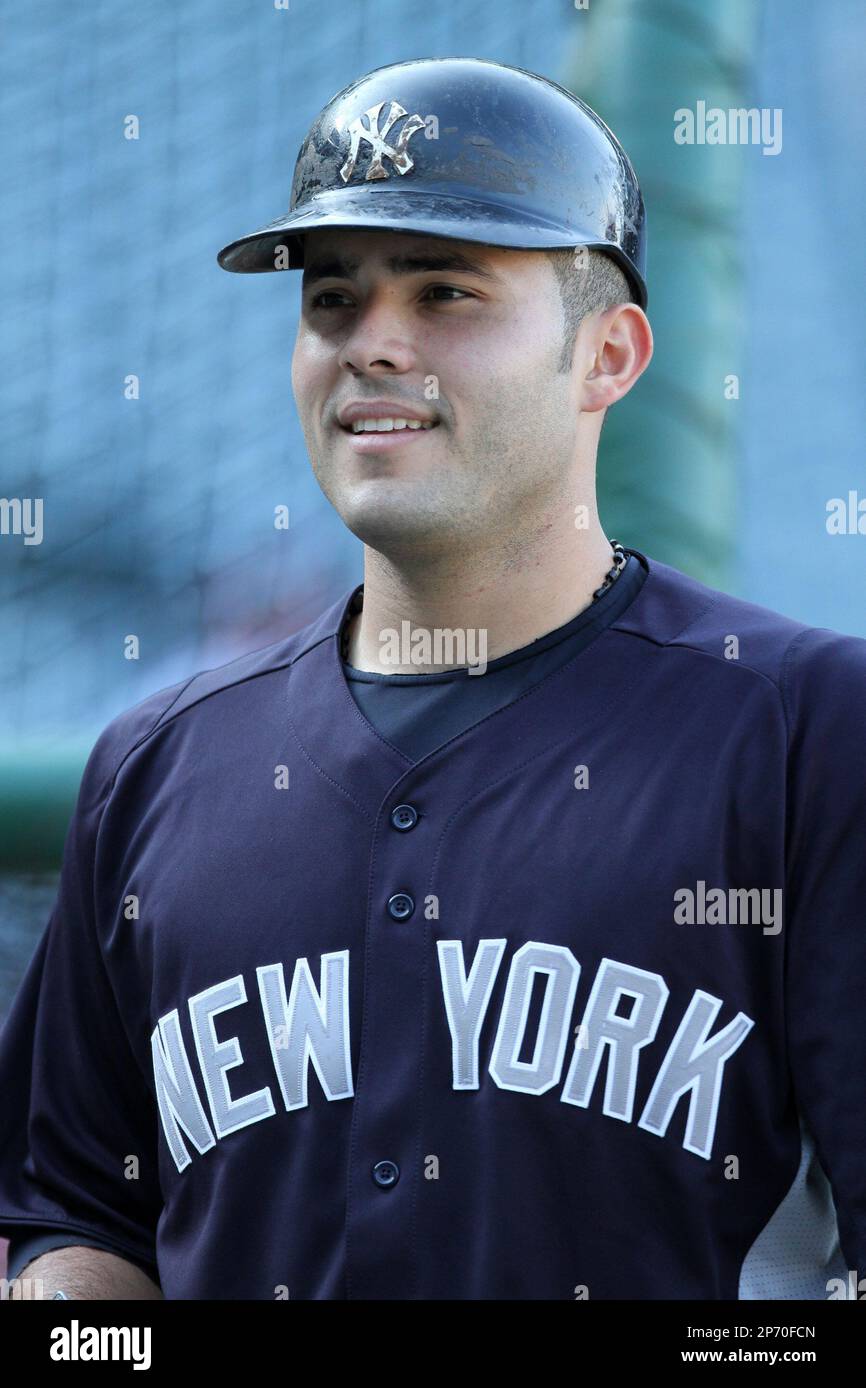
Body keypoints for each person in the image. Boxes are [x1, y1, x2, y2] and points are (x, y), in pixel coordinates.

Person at [1, 57, 864, 1301]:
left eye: (444, 290)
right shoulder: (155, 765)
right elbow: (77, 1215)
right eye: (332, 299)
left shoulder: (802, 731)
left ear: (606, 355)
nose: (372, 343)